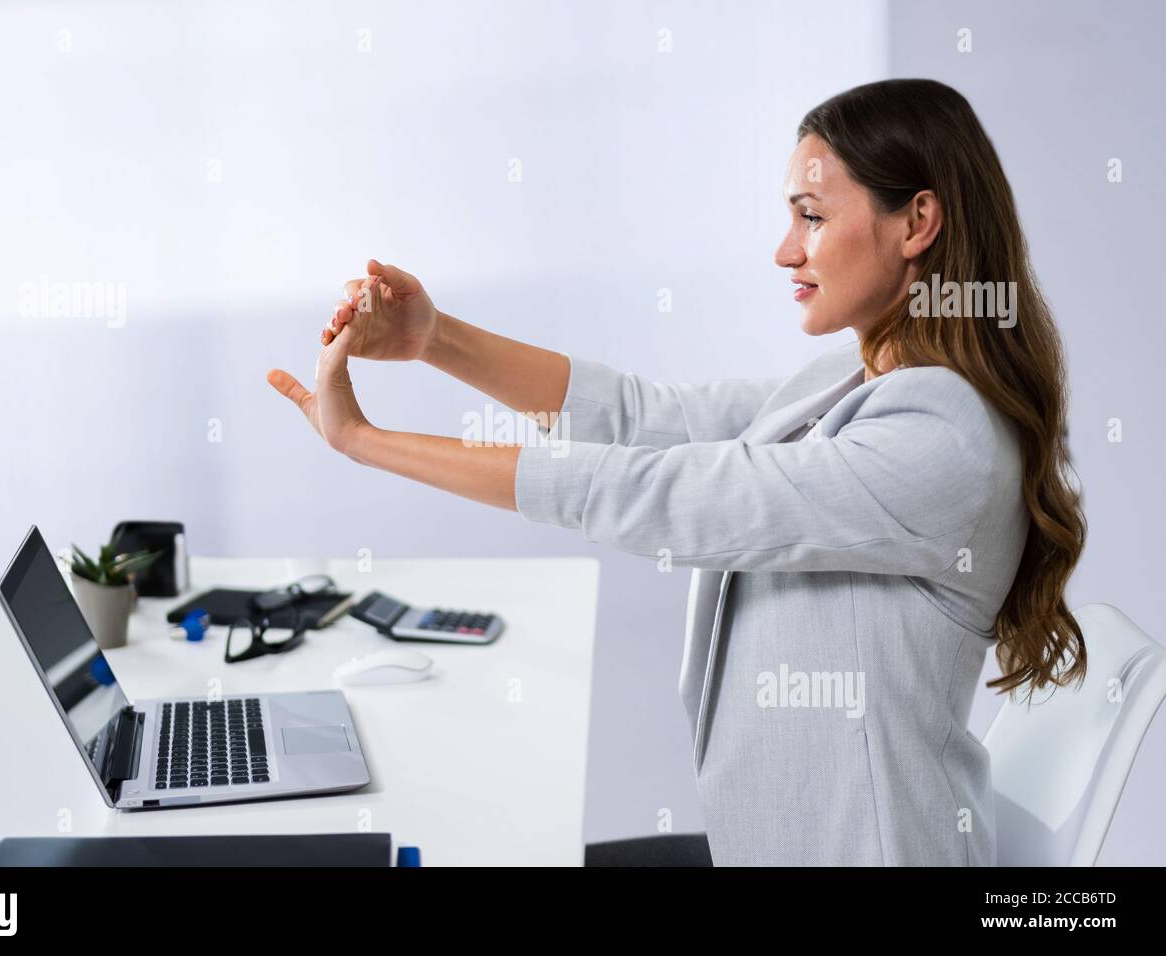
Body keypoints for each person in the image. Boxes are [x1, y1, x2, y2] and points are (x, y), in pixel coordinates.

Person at [266, 78, 1087, 866]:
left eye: (811, 216)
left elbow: (660, 494)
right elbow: (640, 423)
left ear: (917, 224)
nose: (784, 250)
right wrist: (432, 336)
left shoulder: (939, 439)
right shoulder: (855, 383)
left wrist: (363, 442)